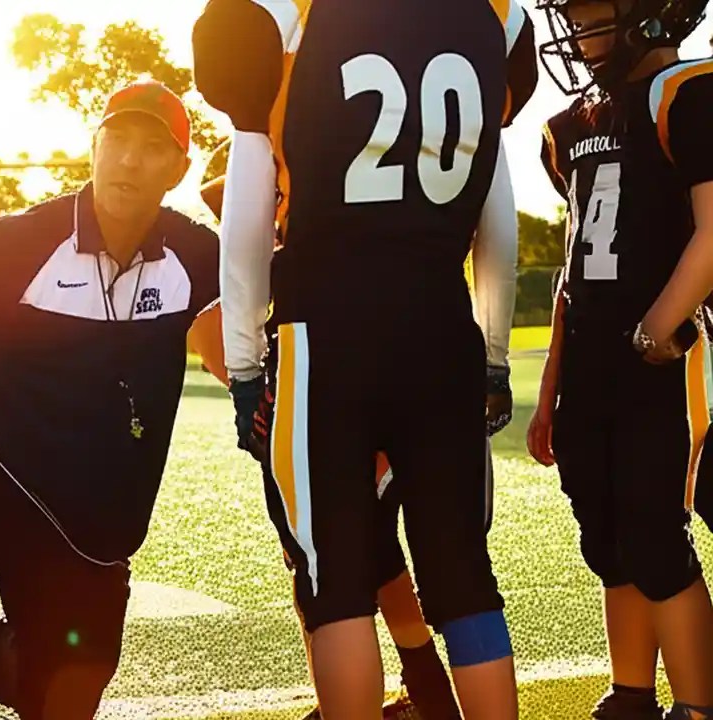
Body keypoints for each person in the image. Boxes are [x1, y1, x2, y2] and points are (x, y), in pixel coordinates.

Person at [193, 0, 537, 717]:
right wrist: (495, 352)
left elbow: (250, 206)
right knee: (465, 575)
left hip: (327, 330)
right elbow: (494, 209)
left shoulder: (285, 12)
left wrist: (246, 364)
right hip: (443, 327)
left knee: (335, 582)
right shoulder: (498, 17)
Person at [0, 80, 222, 720]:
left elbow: (239, 359)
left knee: (58, 702)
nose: (128, 160)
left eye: (151, 147)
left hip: (87, 532)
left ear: (178, 169)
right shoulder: (17, 243)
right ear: (94, 148)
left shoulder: (197, 256)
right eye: (116, 140)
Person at [525, 0, 713, 718]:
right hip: (593, 366)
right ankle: (630, 692)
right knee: (605, 535)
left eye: (590, 9)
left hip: (662, 364)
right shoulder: (573, 127)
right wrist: (550, 390)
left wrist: (658, 329)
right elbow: (574, 270)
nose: (575, 27)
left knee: (654, 536)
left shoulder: (688, 95)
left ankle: (698, 703)